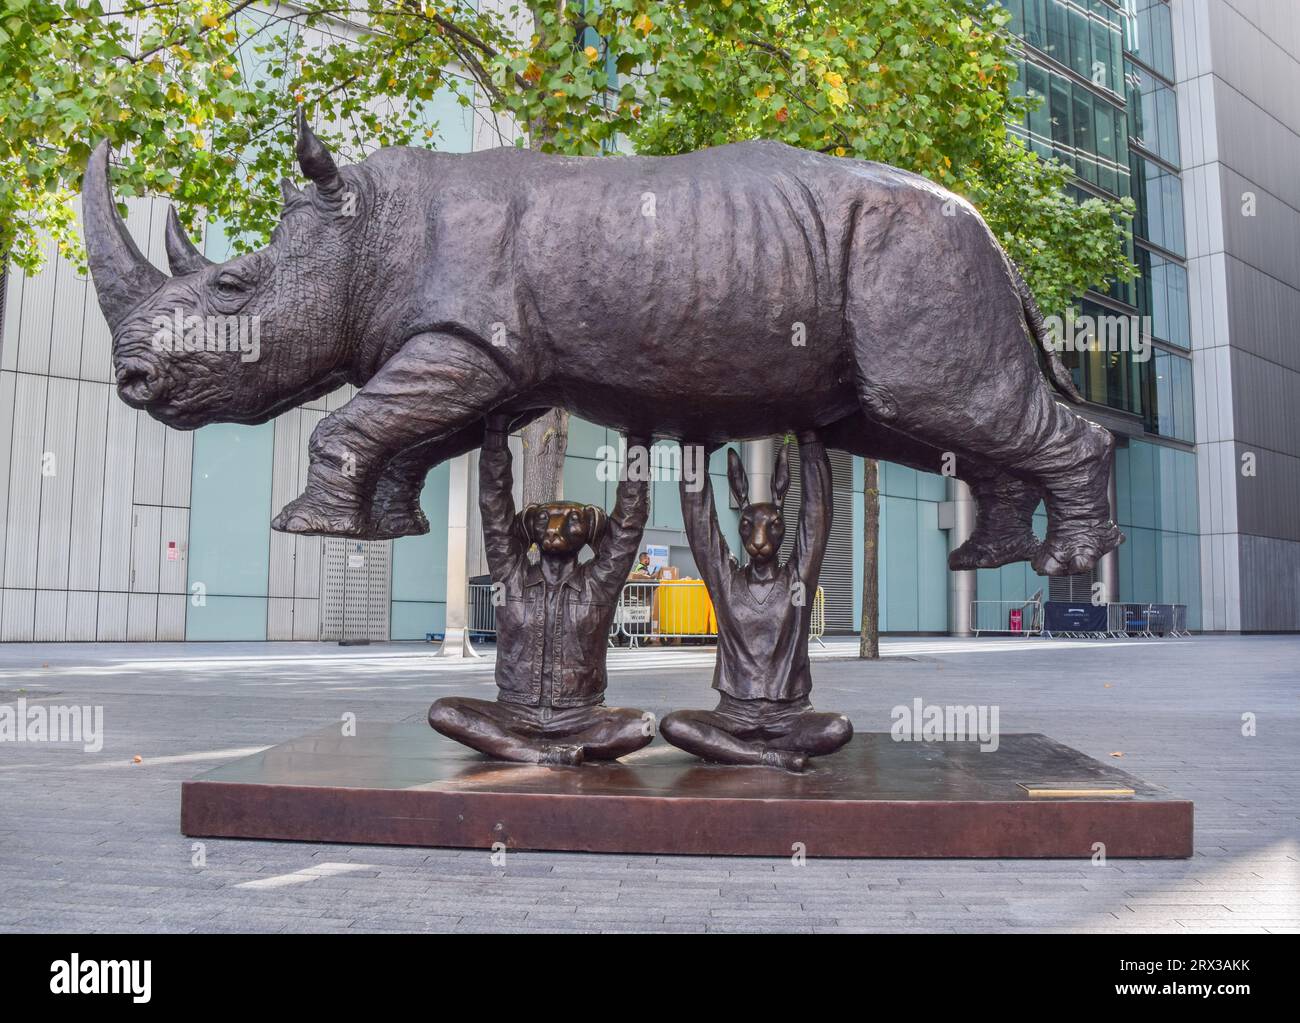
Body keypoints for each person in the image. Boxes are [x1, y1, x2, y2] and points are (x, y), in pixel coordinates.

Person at [428, 413, 654, 765]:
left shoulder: (600, 581)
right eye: (545, 519)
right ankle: (536, 751)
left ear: (590, 531)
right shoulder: (511, 576)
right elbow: (494, 508)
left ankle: (512, 747)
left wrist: (639, 440)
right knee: (443, 711)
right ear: (531, 529)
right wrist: (496, 430)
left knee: (642, 726)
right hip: (514, 712)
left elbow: (629, 522)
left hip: (580, 716)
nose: (556, 526)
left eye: (571, 519)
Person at [659, 431, 852, 771]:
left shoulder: (798, 580)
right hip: (733, 715)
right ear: (741, 528)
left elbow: (816, 517)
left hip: (790, 716)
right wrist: (693, 451)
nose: (759, 538)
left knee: (838, 728)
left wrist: (811, 442)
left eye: (772, 527)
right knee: (673, 724)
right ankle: (765, 755)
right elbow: (700, 524)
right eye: (749, 526)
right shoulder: (725, 581)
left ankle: (732, 751)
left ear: (783, 529)